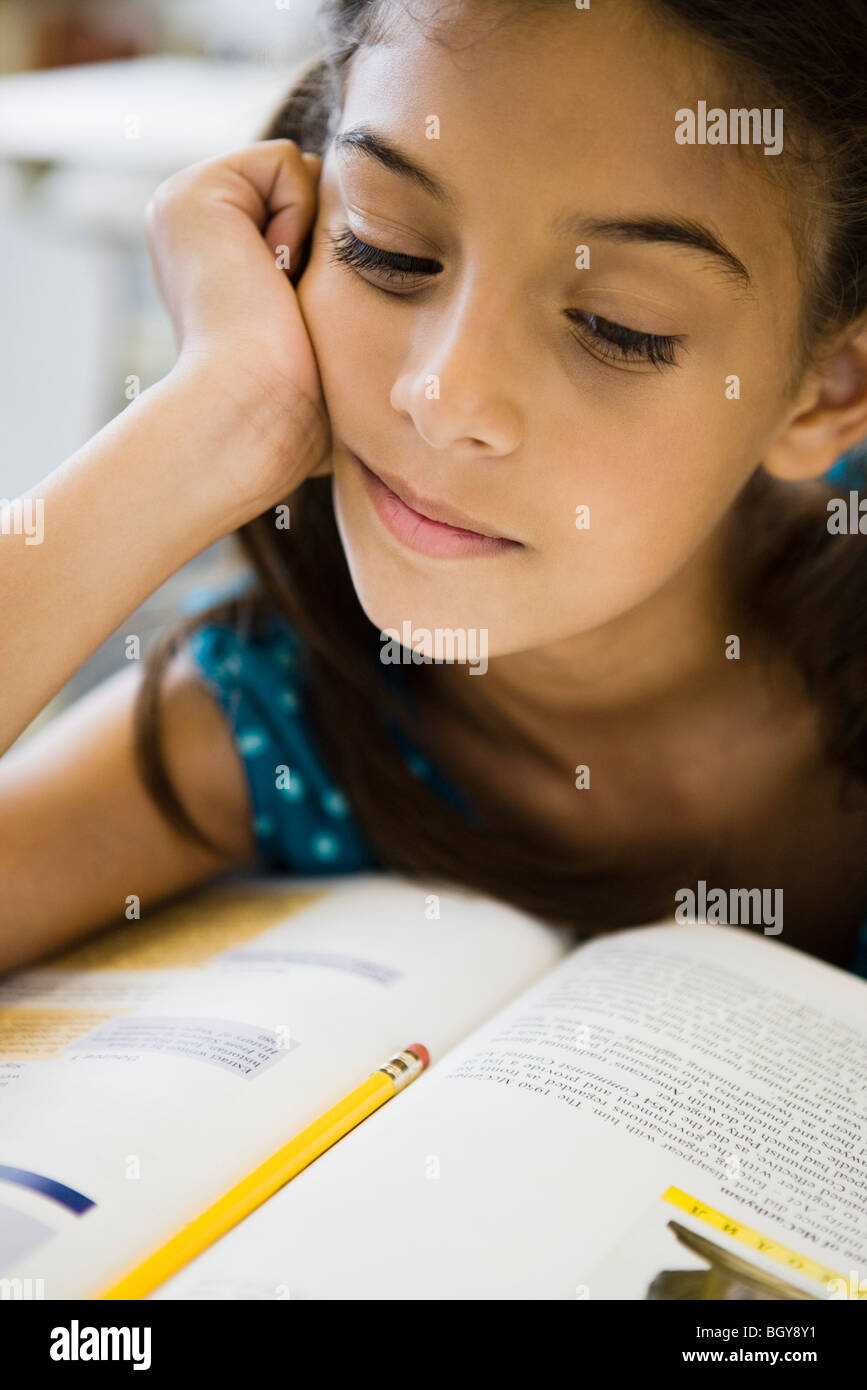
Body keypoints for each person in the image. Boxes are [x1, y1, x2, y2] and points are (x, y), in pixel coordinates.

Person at [2, 0, 866, 981]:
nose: (444, 394)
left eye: (618, 326)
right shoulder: (274, 724)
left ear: (828, 394)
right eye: (386, 246)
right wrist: (205, 423)